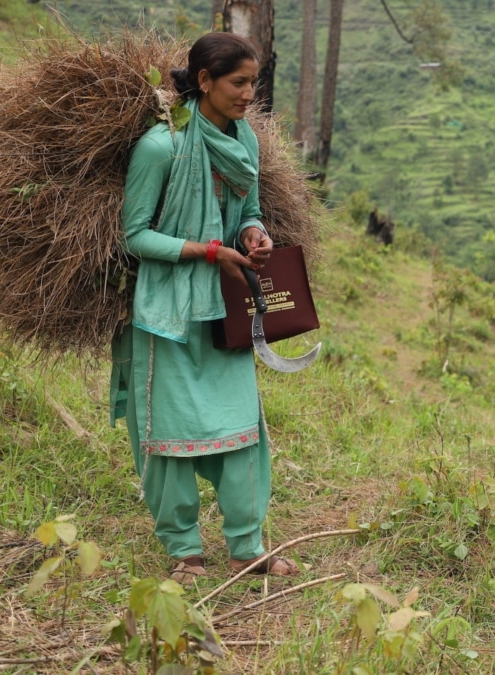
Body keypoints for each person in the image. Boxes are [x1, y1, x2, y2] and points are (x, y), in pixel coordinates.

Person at [109, 32, 297, 582]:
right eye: (238, 83)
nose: (248, 94)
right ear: (205, 81)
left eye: (253, 82)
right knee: (168, 436)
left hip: (224, 308)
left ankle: (247, 548)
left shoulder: (246, 143)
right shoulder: (160, 148)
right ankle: (184, 552)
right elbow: (135, 237)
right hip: (166, 314)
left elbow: (250, 209)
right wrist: (206, 251)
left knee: (242, 428)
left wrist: (254, 234)